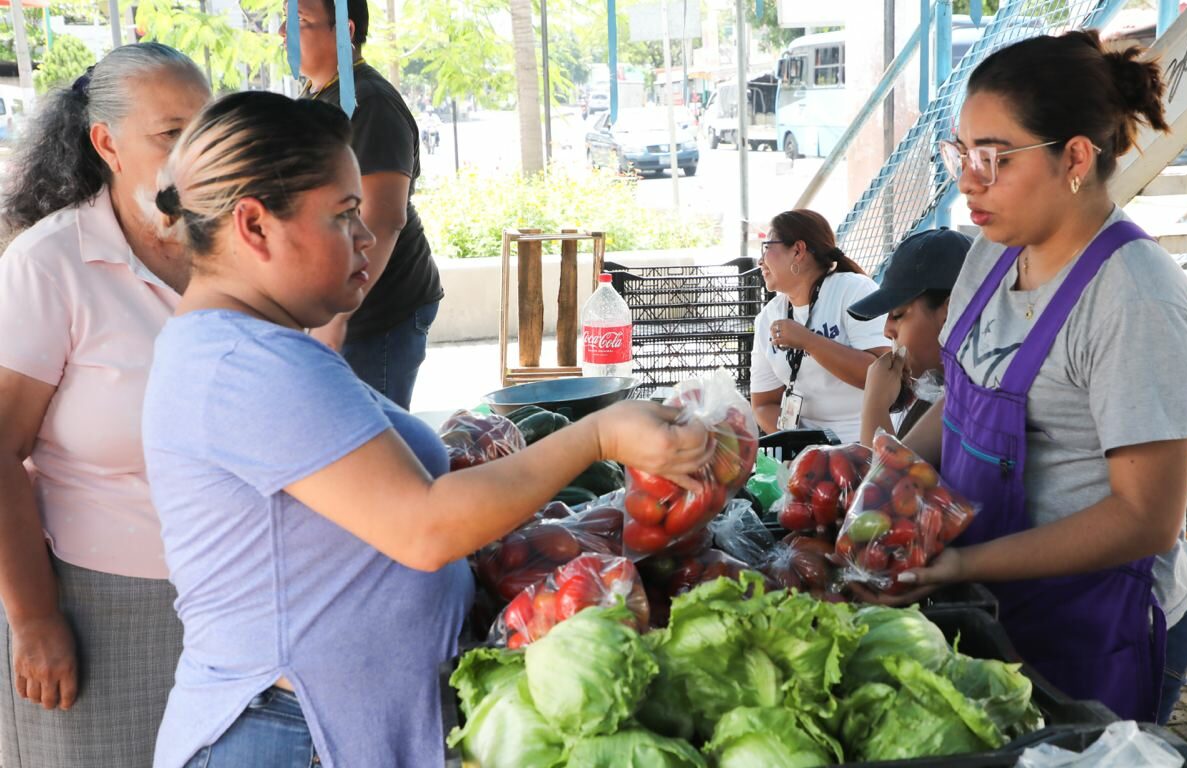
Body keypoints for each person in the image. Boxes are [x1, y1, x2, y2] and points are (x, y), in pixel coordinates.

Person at [141, 91, 710, 768]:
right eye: (344, 215)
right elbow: (424, 527)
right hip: (292, 736)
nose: (368, 237)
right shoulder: (244, 364)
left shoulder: (256, 346)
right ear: (255, 226)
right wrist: (596, 437)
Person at [879, 31, 1187, 724]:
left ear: (1076, 158)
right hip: (1001, 598)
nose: (967, 180)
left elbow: (1147, 518)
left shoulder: (1135, 300)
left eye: (993, 158)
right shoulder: (992, 255)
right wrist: (882, 475)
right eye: (961, 153)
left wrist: (967, 567)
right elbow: (968, 405)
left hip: (1099, 621)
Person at [0, 44, 210, 768]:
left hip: (231, 597)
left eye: (206, 131)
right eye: (171, 134)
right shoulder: (49, 264)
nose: (195, 154)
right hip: (102, 605)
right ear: (106, 144)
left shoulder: (231, 245)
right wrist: (34, 618)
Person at [281, 0, 441, 408]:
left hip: (378, 310)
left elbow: (383, 218)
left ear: (345, 30)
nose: (284, 34)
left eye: (299, 22)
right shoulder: (320, 94)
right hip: (338, 302)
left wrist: (337, 318)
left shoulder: (369, 104)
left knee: (373, 443)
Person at [750, 209, 891, 443]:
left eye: (767, 247)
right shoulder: (768, 317)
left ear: (798, 251)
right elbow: (764, 403)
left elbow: (882, 374)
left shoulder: (853, 290)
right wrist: (803, 445)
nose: (760, 260)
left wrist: (809, 341)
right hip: (808, 455)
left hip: (867, 442)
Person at [847, 228, 972, 446]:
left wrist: (875, 404)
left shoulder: (973, 403)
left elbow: (886, 478)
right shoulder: (935, 396)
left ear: (951, 312)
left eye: (898, 315)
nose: (887, 330)